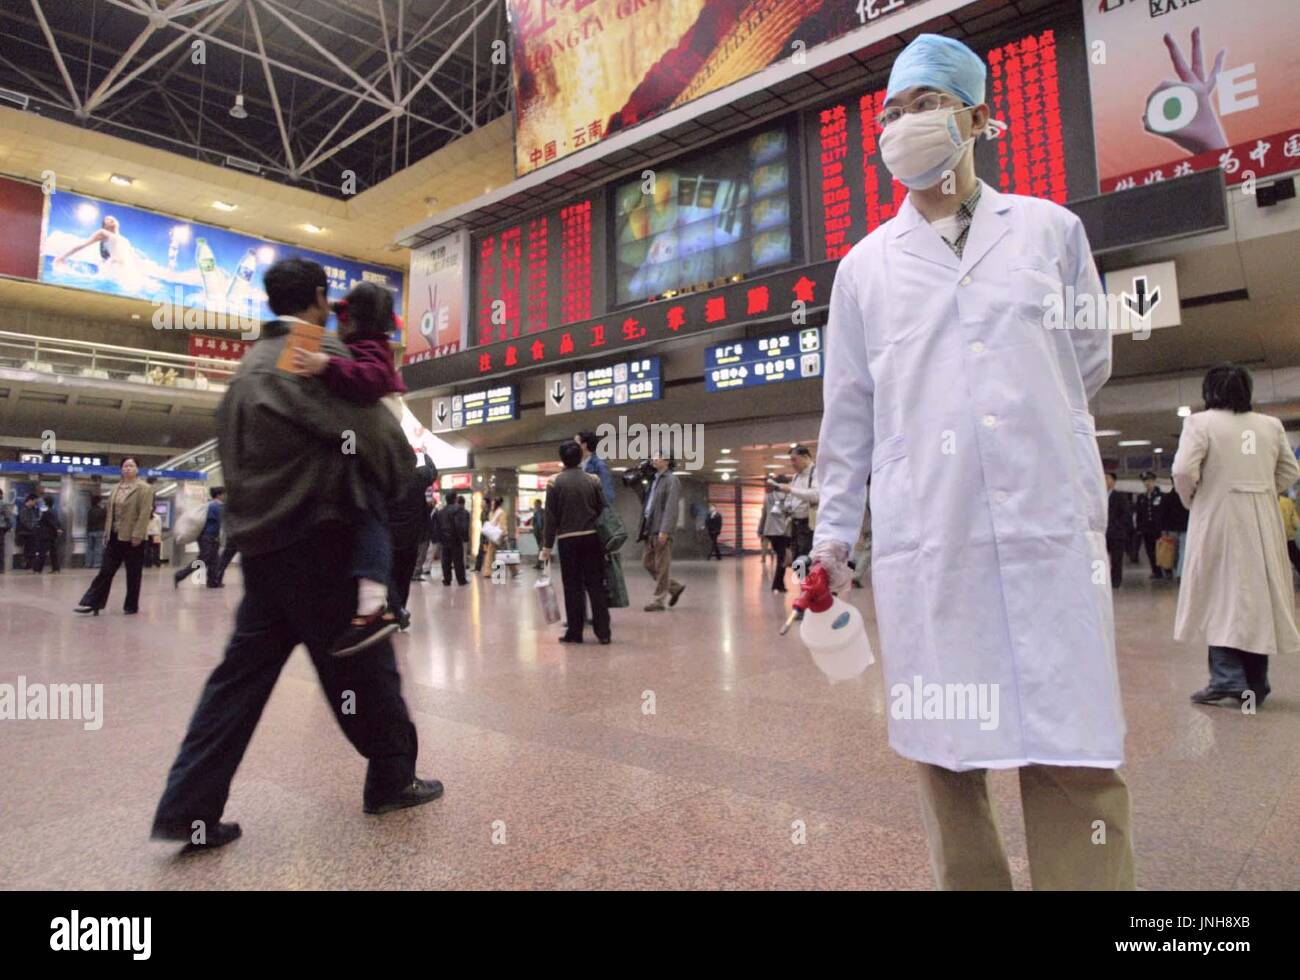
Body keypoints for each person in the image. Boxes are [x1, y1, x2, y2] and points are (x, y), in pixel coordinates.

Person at [809, 34, 1133, 890]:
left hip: (1047, 533)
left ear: (979, 118)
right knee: (949, 761)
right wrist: (831, 542)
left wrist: (1028, 428)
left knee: (1074, 755)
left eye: (925, 104)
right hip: (933, 542)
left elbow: (1085, 360)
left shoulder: (1050, 232)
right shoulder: (864, 270)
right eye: (893, 111)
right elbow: (849, 416)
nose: (905, 124)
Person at [150, 258, 440, 850]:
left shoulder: (244, 371)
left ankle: (189, 808)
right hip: (322, 546)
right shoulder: (310, 356)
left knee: (236, 684)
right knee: (363, 668)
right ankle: (392, 778)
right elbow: (386, 445)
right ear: (316, 297)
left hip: (261, 553)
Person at [1172, 364, 1300, 707]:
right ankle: (1255, 684)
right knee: (1258, 599)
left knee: (1219, 593)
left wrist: (1193, 499)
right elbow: (1291, 469)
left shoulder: (1200, 423)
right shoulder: (1270, 425)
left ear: (1209, 390)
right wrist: (1259, 491)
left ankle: (1227, 678)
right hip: (1262, 521)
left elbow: (1184, 470)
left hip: (1218, 517)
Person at [292, 281, 408, 654]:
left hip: (372, 449)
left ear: (353, 320)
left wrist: (326, 364)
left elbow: (372, 381)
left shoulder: (370, 349)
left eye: (341, 317)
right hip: (366, 448)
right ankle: (383, 602)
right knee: (365, 516)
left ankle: (376, 605)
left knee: (368, 515)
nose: (335, 324)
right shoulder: (365, 346)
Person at [539, 440, 612, 644]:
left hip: (567, 540)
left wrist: (546, 546)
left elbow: (551, 517)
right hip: (591, 538)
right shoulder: (593, 480)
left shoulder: (554, 482)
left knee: (573, 588)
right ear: (580, 457)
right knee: (595, 586)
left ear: (562, 459)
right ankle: (603, 633)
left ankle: (575, 632)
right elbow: (602, 509)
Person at [74, 459, 154, 615]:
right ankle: (93, 602)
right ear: (121, 469)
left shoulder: (145, 489)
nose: (128, 468)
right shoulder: (115, 488)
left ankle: (131, 606)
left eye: (132, 466)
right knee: (106, 570)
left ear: (137, 469)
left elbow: (144, 514)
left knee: (133, 573)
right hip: (115, 536)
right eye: (125, 466)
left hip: (133, 538)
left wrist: (137, 534)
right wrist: (107, 532)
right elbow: (110, 513)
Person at [640, 456, 684, 612]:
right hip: (650, 528)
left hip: (661, 529)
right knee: (647, 563)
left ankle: (659, 601)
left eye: (658, 456)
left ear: (667, 461)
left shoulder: (672, 480)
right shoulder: (655, 480)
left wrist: (665, 530)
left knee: (662, 565)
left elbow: (671, 508)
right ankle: (674, 587)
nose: (654, 459)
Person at [175, 487, 226, 588]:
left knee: (214, 560)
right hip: (207, 537)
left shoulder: (214, 505)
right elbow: (223, 520)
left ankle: (212, 582)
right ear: (219, 495)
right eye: (224, 494)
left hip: (212, 538)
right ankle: (180, 575)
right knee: (203, 560)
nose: (225, 496)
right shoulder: (215, 506)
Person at [762, 477, 792, 592]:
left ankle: (780, 585)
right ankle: (777, 585)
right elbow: (789, 511)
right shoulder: (786, 496)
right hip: (782, 532)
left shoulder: (767, 496)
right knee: (782, 559)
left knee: (781, 557)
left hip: (770, 531)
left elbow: (764, 513)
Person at [1134, 471, 1167, 580]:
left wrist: (1165, 527)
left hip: (1158, 528)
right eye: (1145, 481)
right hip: (1146, 529)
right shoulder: (1141, 498)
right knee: (1150, 551)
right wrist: (1139, 528)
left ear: (1154, 481)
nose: (1147, 483)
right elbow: (1139, 514)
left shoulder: (1161, 496)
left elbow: (1165, 512)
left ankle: (1166, 570)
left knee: (1162, 550)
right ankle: (1155, 571)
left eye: (1149, 481)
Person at [1105, 473, 1132, 589]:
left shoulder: (1119, 496)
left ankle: (1116, 581)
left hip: (1116, 533)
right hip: (1102, 534)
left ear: (1113, 481)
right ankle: (1100, 581)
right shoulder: (1099, 496)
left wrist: (1118, 526)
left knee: (1116, 559)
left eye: (1107, 478)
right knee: (1100, 558)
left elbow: (1125, 514)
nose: (1104, 481)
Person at [437, 493, 470, 585]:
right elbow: (461, 525)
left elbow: (437, 527)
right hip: (455, 539)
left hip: (444, 539)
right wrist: (464, 537)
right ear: (455, 499)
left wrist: (439, 538)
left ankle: (447, 580)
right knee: (458, 560)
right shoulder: (458, 510)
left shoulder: (441, 512)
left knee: (445, 561)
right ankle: (461, 580)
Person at [1160, 484, 1191, 581]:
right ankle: (1180, 573)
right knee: (1182, 551)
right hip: (1185, 528)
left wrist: (1163, 530)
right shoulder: (1188, 497)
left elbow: (1163, 514)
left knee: (1170, 551)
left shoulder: (1167, 497)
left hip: (1171, 529)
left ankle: (1169, 570)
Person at [577, 431, 616, 505]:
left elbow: (608, 494)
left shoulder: (600, 465)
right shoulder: (576, 465)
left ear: (584, 445)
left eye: (576, 443)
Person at [481, 497, 512, 578]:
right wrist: (505, 534)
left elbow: (492, 523)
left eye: (492, 503)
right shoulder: (502, 512)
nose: (491, 504)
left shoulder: (491, 512)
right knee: (505, 553)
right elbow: (503, 525)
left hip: (492, 536)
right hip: (500, 536)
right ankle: (513, 570)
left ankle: (487, 571)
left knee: (490, 554)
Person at [34, 496, 62, 573]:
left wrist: (56, 528)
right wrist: (58, 529)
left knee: (42, 552)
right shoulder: (54, 511)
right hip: (52, 535)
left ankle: (38, 569)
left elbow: (51, 522)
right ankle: (56, 569)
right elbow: (57, 521)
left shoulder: (46, 512)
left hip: (45, 535)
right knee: (53, 552)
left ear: (46, 503)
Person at [18, 494, 40, 572]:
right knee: (28, 551)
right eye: (34, 501)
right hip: (26, 534)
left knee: (32, 550)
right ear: (30, 500)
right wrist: (33, 526)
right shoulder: (24, 510)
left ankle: (30, 566)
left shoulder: (34, 509)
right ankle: (27, 566)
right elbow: (24, 521)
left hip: (32, 533)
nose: (35, 503)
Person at [1281, 492, 1300, 579]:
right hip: (1289, 537)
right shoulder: (1287, 502)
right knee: (1296, 559)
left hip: (1275, 539)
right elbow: (1296, 522)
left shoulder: (1271, 502)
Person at [85, 495, 106, 569]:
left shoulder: (90, 510)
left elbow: (88, 521)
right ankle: (97, 563)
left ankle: (88, 563)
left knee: (89, 548)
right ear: (99, 502)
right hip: (99, 531)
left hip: (90, 531)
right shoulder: (102, 510)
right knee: (98, 548)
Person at [531, 497, 546, 568]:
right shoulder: (535, 513)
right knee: (541, 549)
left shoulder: (544, 512)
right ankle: (540, 563)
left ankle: (539, 564)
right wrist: (534, 529)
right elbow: (534, 522)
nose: (535, 506)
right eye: (535, 504)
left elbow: (546, 522)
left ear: (540, 504)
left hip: (543, 533)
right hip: (537, 533)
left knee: (541, 548)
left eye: (536, 504)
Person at [0, 497, 10, 574]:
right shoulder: (3, 504)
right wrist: (8, 526)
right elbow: (7, 516)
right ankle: (1, 568)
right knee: (1, 548)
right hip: (1, 528)